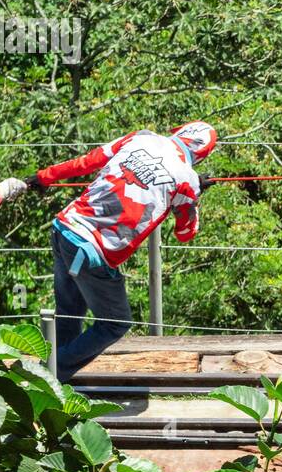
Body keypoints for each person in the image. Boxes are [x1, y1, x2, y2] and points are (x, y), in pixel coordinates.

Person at [24, 123, 218, 383]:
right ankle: (47, 374)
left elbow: (87, 162)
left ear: (179, 132)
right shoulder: (187, 179)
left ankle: (51, 384)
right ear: (203, 154)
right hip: (92, 250)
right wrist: (195, 197)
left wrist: (45, 176)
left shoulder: (141, 138)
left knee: (69, 311)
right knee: (115, 323)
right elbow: (186, 233)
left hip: (64, 228)